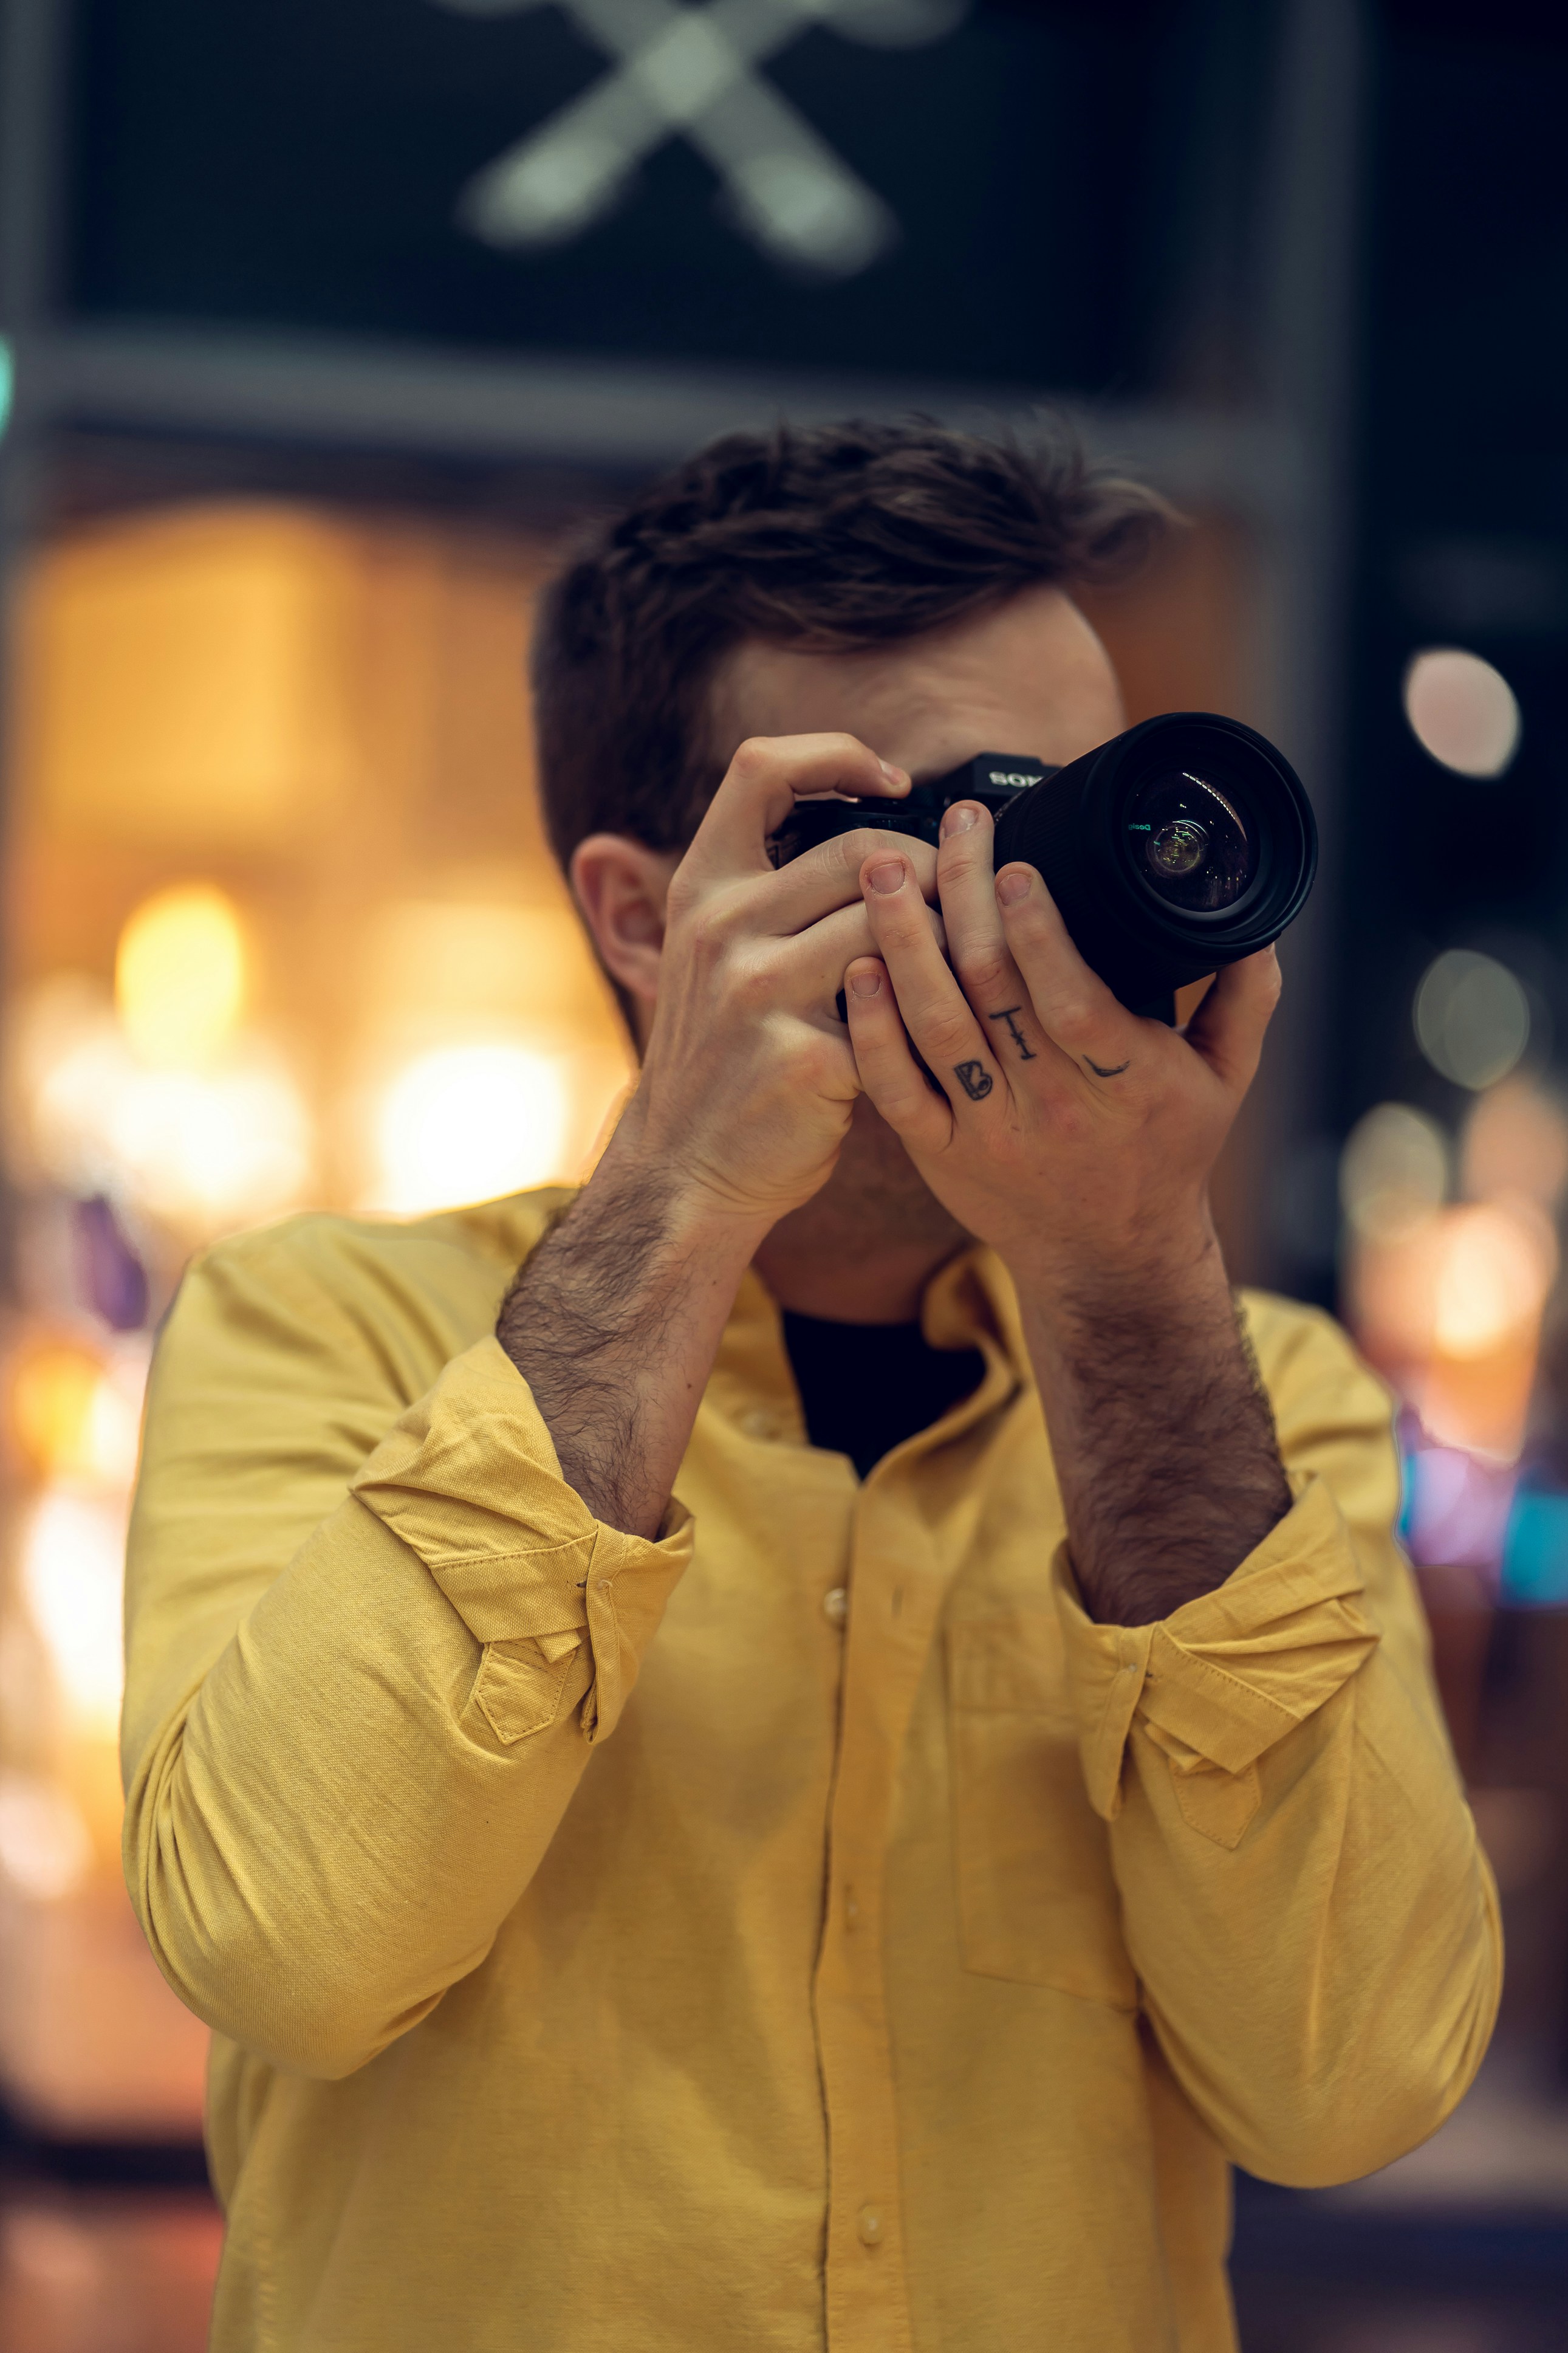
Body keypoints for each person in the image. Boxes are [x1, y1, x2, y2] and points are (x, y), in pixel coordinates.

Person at [123, 421, 1499, 2353]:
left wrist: (1127, 1283)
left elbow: (1351, 2080)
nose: (1013, 892)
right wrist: (684, 1189)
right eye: (927, 812)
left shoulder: (1258, 1395)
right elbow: (289, 1948)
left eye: (1061, 798)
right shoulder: (324, 1327)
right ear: (640, 911)